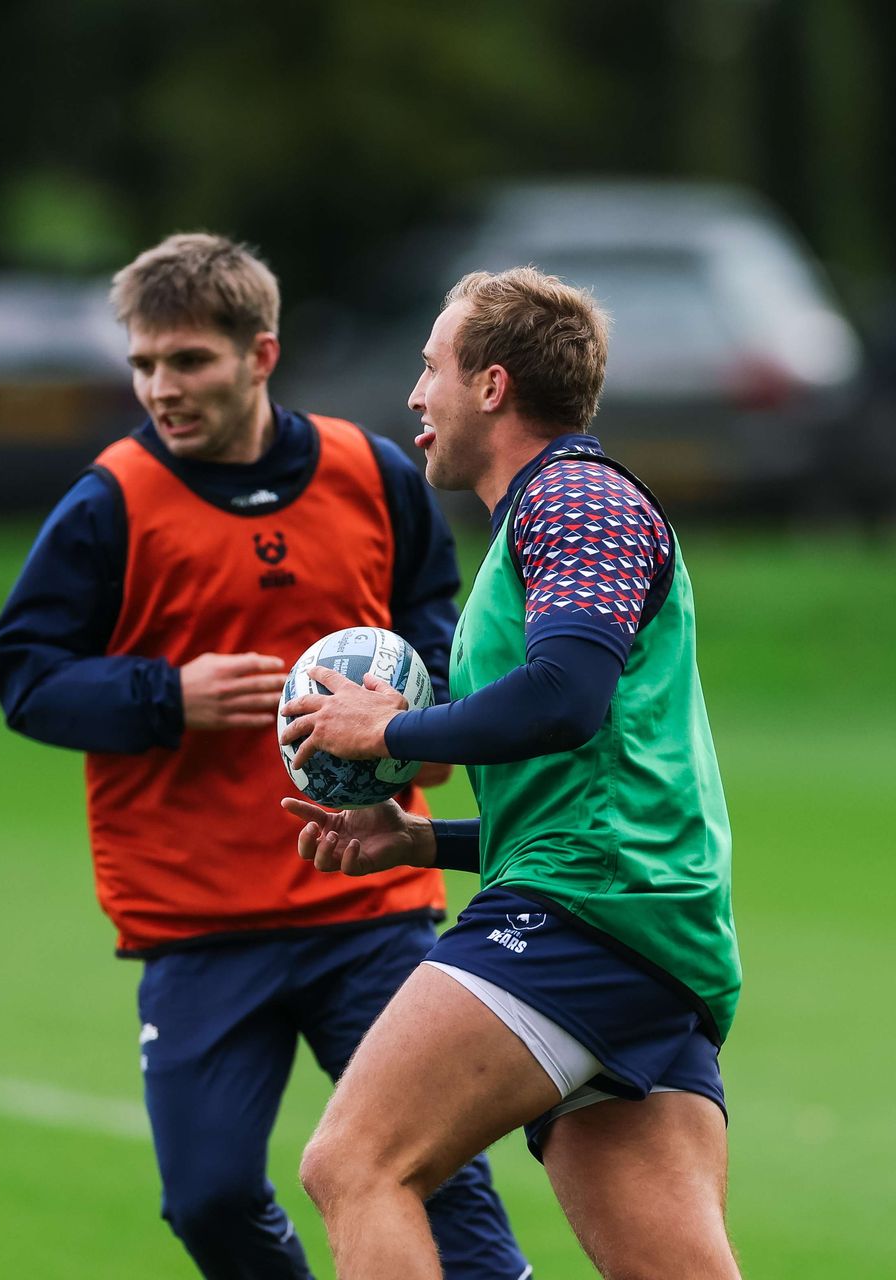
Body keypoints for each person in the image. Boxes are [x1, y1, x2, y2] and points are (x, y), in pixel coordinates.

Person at [0, 234, 531, 1280]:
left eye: (187, 360)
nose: (161, 387)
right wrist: (165, 694)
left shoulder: (373, 474)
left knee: (433, 1172)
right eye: (144, 363)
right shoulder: (110, 502)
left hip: (367, 903)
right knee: (209, 1198)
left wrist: (409, 714)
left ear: (260, 354)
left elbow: (438, 633)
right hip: (198, 920)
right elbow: (27, 676)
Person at [280, 266, 743, 1280]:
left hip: (591, 917)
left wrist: (391, 732)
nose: (415, 395)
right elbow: (596, 780)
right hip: (638, 925)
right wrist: (422, 841)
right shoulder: (537, 521)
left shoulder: (575, 496)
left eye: (431, 365)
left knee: (355, 1163)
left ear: (491, 387)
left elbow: (562, 697)